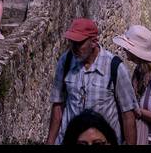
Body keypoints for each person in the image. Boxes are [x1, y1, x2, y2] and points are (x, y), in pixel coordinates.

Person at [46, 17, 138, 145]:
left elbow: (128, 114)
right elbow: (58, 105)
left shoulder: (114, 67)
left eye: (79, 43)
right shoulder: (65, 61)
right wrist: (50, 141)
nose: (74, 48)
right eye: (72, 43)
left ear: (94, 42)